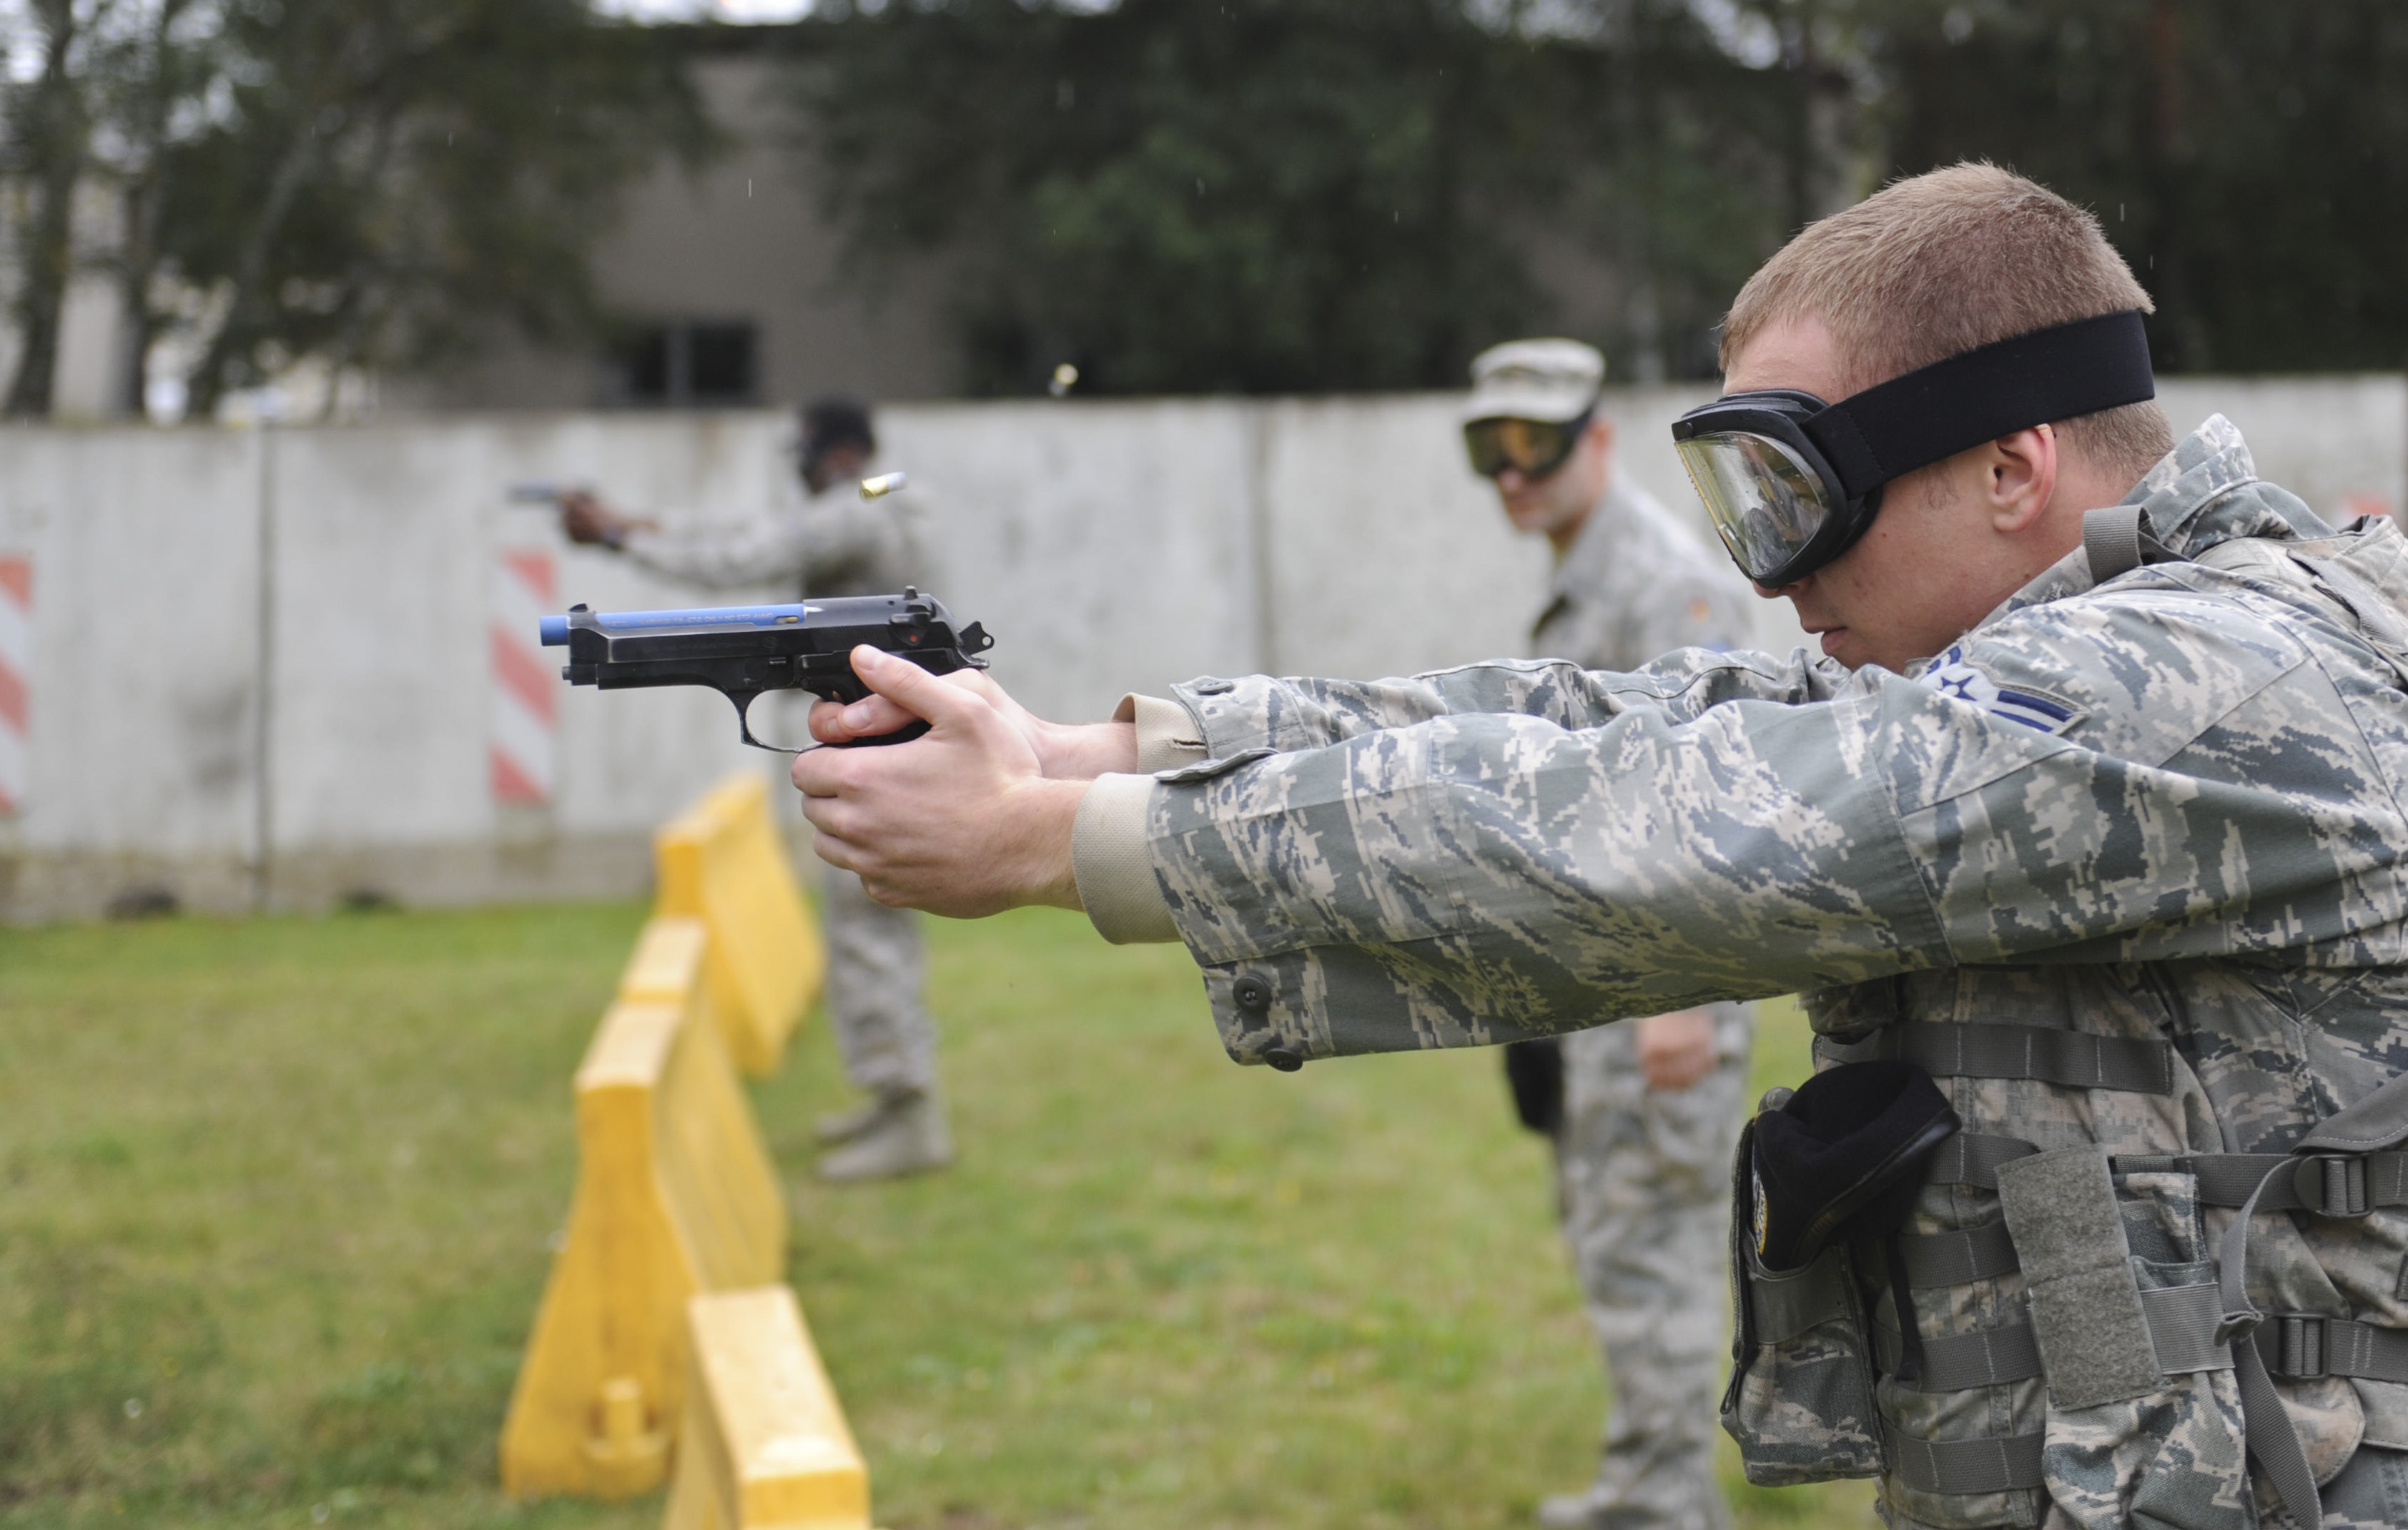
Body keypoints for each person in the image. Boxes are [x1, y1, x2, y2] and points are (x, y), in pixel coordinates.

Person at [790, 165, 2408, 1528]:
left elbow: (1678, 831)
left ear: (2010, 465)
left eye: (1805, 493)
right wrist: (1114, 750)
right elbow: (1633, 718)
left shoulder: (2208, 674)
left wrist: (1072, 841)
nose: (1776, 574)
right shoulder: (2029, 660)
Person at [1461, 337, 1753, 1530]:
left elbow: (1713, 793)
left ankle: (1665, 1502)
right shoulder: (1586, 574)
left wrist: (1680, 997)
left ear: (1597, 439)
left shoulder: (1666, 583)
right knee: (1611, 1236)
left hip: (1657, 993)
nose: (1511, 474)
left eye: (1535, 445)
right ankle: (1648, 1485)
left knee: (1651, 1247)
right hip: (1595, 988)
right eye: (1487, 449)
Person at [560, 397, 952, 1183]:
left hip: (878, 742)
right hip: (879, 733)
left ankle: (909, 1112)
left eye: (804, 458)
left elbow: (746, 553)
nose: (799, 475)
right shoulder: (880, 497)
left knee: (865, 924)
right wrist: (637, 526)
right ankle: (893, 1097)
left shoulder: (864, 505)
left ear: (832, 453)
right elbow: (741, 533)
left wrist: (616, 535)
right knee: (863, 920)